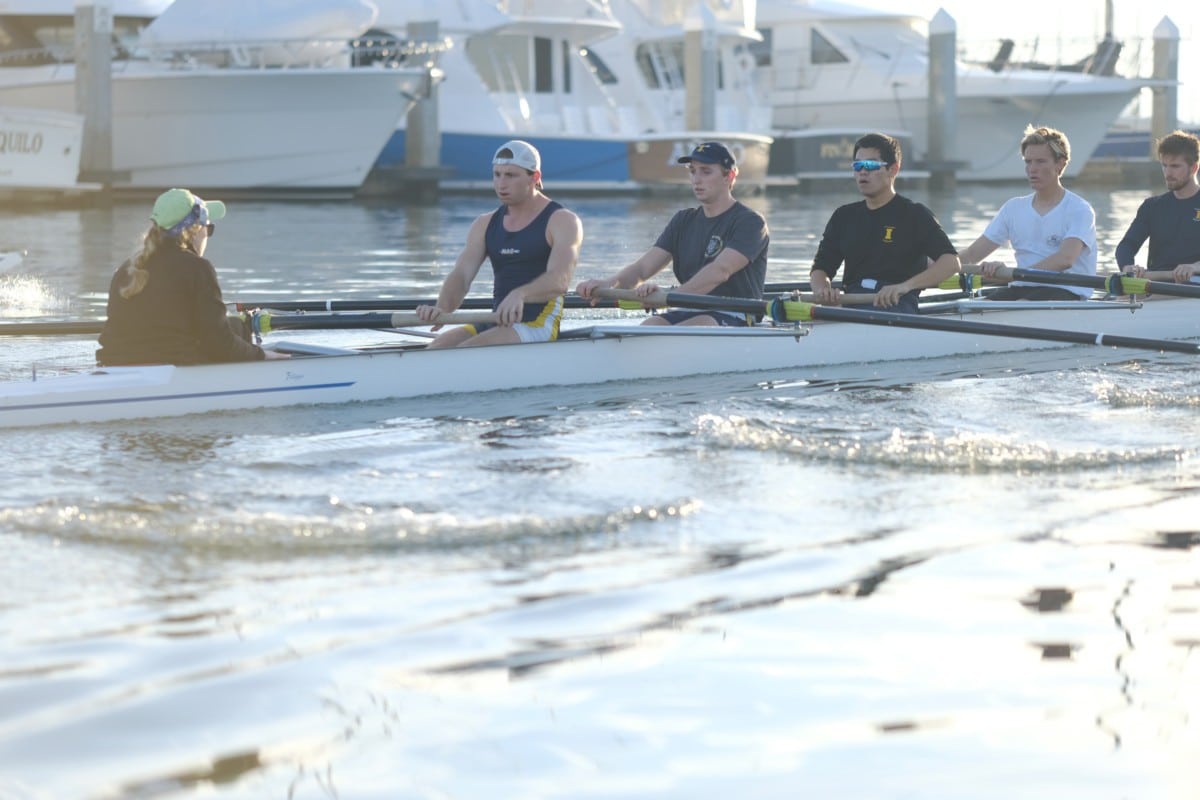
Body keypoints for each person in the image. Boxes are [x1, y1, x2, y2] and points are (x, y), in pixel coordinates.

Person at [575, 141, 768, 325]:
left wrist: (668, 298)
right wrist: (608, 284)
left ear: (729, 176)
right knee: (649, 325)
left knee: (698, 326)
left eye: (706, 171)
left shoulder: (751, 222)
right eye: (692, 171)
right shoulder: (683, 220)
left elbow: (720, 271)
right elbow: (642, 269)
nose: (696, 179)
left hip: (736, 312)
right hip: (689, 308)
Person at [415, 140, 583, 348]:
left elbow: (560, 281)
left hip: (537, 325)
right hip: (497, 320)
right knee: (436, 348)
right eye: (497, 174)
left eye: (511, 175)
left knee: (465, 352)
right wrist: (441, 308)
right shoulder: (484, 224)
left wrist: (520, 294)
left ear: (535, 177)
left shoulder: (562, 221)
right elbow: (462, 275)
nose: (501, 184)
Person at [97, 188, 285, 365]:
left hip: (113, 363)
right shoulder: (198, 269)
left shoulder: (126, 269)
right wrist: (260, 355)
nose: (208, 235)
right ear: (195, 230)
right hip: (174, 365)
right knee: (237, 329)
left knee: (234, 325)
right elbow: (220, 344)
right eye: (208, 228)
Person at [809, 132, 959, 315]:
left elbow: (951, 262)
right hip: (852, 303)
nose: (863, 171)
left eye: (871, 165)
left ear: (893, 169)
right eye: (857, 165)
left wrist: (905, 286)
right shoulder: (843, 216)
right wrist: (823, 291)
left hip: (897, 304)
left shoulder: (915, 215)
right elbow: (821, 269)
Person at [958, 125, 1097, 300]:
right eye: (1028, 162)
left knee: (1012, 305)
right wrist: (939, 263)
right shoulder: (1013, 208)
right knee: (978, 308)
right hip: (1021, 287)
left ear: (1060, 164)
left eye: (1040, 161)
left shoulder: (1079, 210)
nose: (1032, 169)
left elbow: (1065, 259)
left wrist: (1010, 273)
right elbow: (972, 254)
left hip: (1065, 291)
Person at [1116, 130, 1200, 284]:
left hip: (1194, 283)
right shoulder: (1152, 206)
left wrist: (1194, 267)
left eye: (1175, 166)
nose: (1168, 173)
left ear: (1194, 168)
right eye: (1164, 165)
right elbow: (1127, 245)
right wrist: (1128, 267)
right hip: (1156, 285)